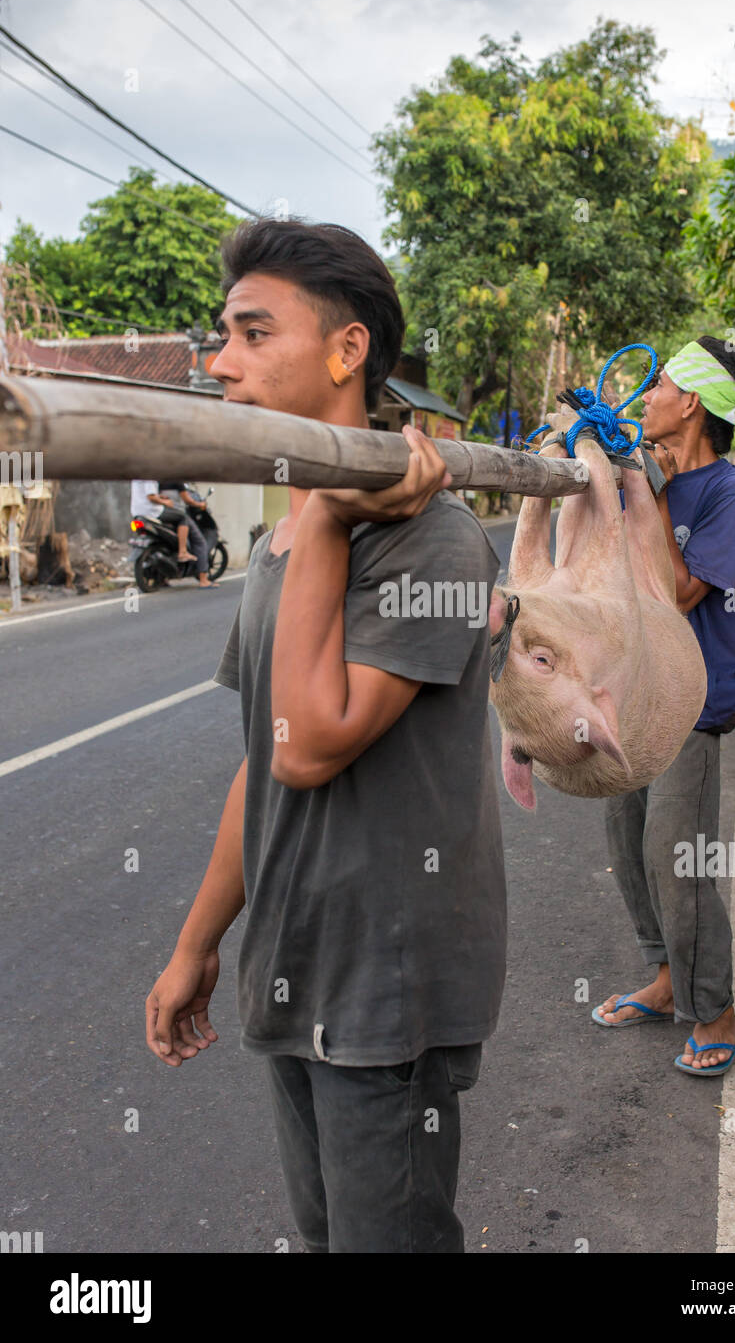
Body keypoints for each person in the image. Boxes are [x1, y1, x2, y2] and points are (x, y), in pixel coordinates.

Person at [145, 217, 507, 1253]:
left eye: (254, 335)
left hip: (385, 987)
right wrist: (195, 943)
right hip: (294, 961)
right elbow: (263, 763)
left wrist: (336, 520)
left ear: (347, 351)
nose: (222, 362)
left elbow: (311, 741)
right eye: (224, 334)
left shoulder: (431, 536)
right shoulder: (276, 540)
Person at [593, 336, 735, 1076]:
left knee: (676, 852)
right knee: (626, 837)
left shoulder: (732, 491)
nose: (646, 394)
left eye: (659, 382)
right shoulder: (647, 478)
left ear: (690, 401)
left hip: (694, 698)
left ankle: (715, 1007)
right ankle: (666, 978)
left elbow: (682, 588)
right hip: (636, 691)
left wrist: (649, 484)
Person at [157, 480, 215, 589]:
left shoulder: (158, 481)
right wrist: (200, 504)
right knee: (200, 542)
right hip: (176, 515)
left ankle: (161, 579)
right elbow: (187, 500)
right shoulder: (177, 481)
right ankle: (203, 579)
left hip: (162, 515)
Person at [130, 479, 197, 564]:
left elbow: (144, 494)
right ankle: (183, 552)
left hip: (137, 512)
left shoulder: (135, 478)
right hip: (151, 511)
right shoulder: (150, 475)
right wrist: (165, 502)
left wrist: (160, 497)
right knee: (182, 517)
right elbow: (151, 497)